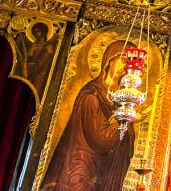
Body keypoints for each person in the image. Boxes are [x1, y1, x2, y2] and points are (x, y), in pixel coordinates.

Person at [42, 40, 134, 190]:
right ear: (108, 60)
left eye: (128, 65)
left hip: (105, 169)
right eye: (122, 60)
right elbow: (99, 139)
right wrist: (125, 120)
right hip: (81, 166)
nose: (124, 67)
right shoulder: (91, 95)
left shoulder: (120, 99)